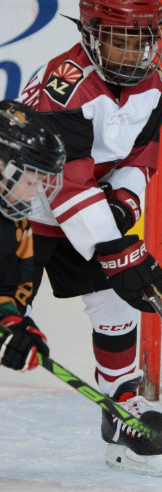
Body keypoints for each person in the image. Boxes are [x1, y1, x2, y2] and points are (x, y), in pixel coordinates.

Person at [19, 0, 162, 476]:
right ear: (90, 34)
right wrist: (118, 250)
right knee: (7, 323)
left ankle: (121, 411)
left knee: (115, 305)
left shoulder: (154, 83)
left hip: (81, 206)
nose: (134, 53)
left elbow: (142, 154)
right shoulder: (67, 87)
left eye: (142, 39)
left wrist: (125, 203)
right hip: (19, 209)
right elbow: (66, 186)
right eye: (120, 41)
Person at [0, 100, 65, 373]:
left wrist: (15, 324)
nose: (35, 192)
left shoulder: (17, 224)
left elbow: (8, 289)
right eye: (30, 182)